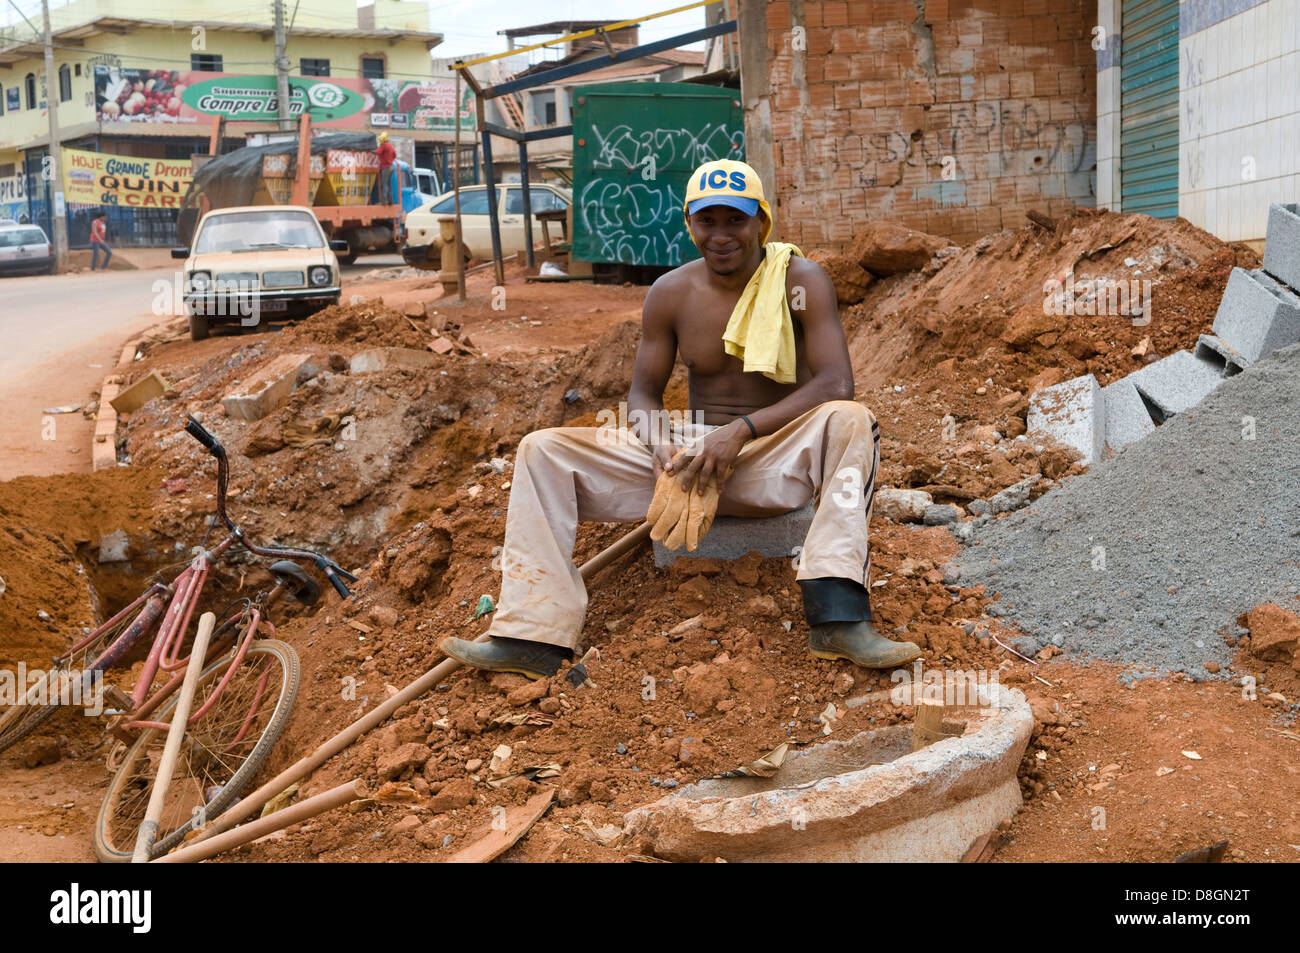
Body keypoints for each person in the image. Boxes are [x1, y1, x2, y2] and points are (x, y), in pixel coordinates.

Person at [441, 159, 921, 680]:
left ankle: (838, 619)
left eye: (735, 221)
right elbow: (643, 395)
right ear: (689, 223)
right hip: (690, 468)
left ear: (760, 222)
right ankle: (531, 637)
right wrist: (660, 446)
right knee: (540, 450)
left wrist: (739, 432)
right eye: (706, 221)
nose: (720, 236)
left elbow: (834, 384)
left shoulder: (799, 281)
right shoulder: (670, 292)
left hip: (772, 460)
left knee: (851, 418)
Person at [375, 131, 395, 205]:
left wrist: (369, 151)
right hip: (391, 166)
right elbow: (394, 154)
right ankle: (390, 201)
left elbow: (377, 152)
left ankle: (384, 201)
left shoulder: (384, 145)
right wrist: (390, 160)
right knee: (389, 184)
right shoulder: (390, 145)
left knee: (384, 184)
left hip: (385, 167)